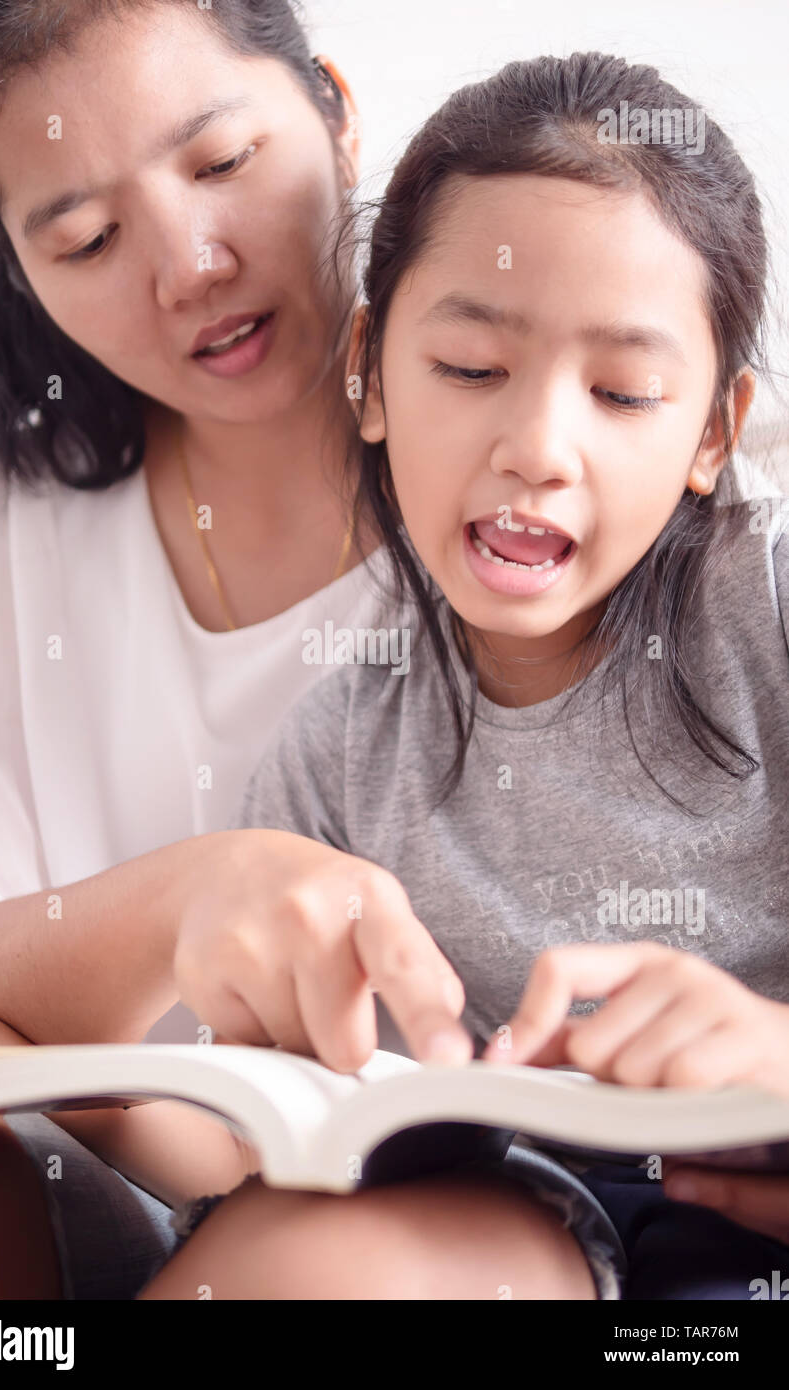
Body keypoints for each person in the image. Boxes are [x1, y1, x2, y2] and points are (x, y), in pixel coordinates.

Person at [0, 1, 599, 1302]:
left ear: (337, 114)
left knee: (310, 1270)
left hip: (462, 1213)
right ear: (19, 261)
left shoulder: (560, 497)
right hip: (82, 1176)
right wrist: (191, 899)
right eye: (87, 238)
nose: (188, 267)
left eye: (222, 163)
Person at [191, 51, 789, 1300]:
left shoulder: (766, 608)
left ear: (712, 434)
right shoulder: (330, 754)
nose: (536, 448)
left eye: (622, 392)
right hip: (510, 1228)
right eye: (470, 369)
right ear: (368, 372)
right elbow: (260, 1120)